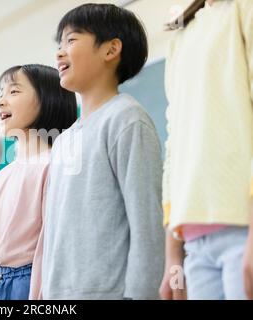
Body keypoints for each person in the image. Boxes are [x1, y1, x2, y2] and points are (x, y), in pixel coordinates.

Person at [42, 3, 165, 299]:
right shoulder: (63, 140)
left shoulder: (126, 120)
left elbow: (147, 223)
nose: (60, 53)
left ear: (111, 50)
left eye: (71, 41)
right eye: (59, 44)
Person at [160, 0, 253, 300]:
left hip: (242, 226)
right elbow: (173, 145)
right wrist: (173, 258)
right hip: (194, 244)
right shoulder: (180, 36)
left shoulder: (243, 9)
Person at [0, 64, 77, 300]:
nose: (0, 102)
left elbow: (50, 249)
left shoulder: (55, 166)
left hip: (29, 284)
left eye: (14, 91)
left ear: (48, 99)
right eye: (1, 93)